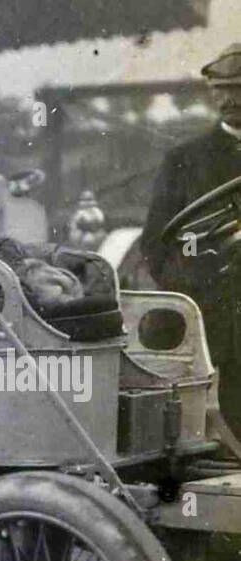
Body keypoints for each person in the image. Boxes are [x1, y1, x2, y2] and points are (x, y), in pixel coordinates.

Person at [144, 42, 241, 433]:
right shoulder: (185, 159)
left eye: (238, 88)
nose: (229, 98)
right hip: (211, 317)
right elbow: (157, 245)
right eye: (221, 89)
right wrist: (196, 287)